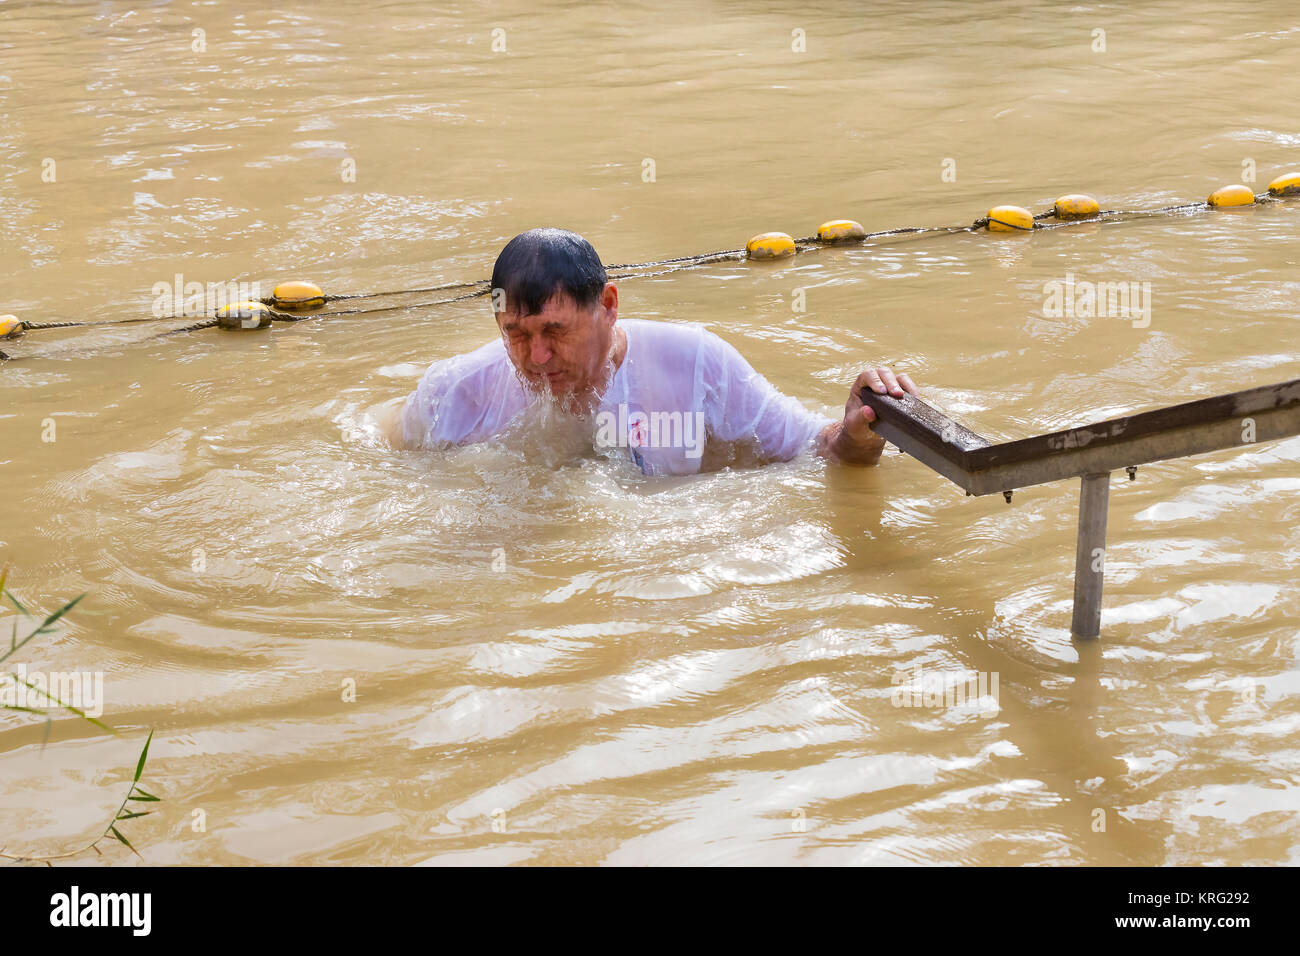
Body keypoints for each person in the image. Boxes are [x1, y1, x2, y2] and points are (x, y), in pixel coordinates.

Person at [382, 228, 919, 474]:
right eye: (516, 336)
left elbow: (812, 451)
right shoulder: (455, 392)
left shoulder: (695, 362)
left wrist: (856, 432)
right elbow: (378, 461)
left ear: (608, 306)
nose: (537, 357)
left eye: (556, 331)